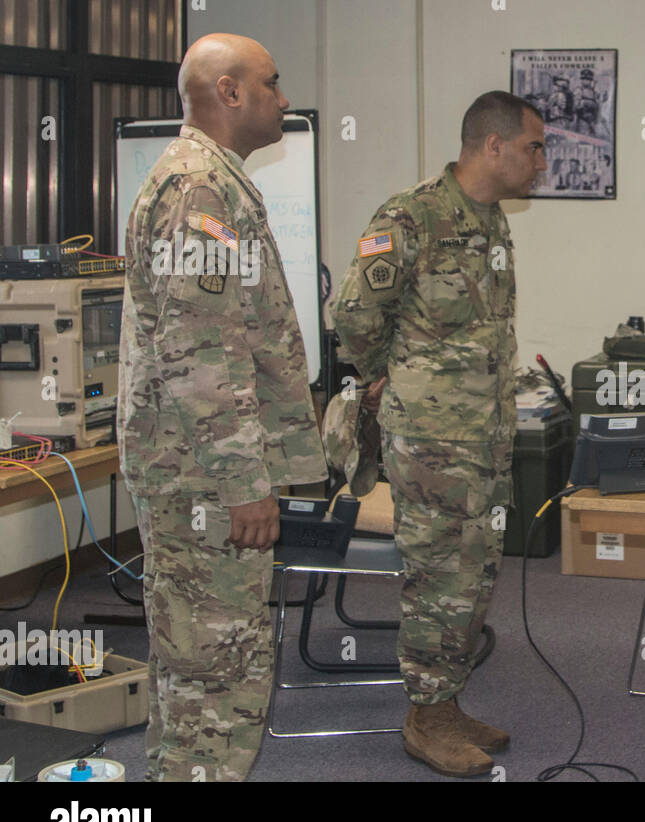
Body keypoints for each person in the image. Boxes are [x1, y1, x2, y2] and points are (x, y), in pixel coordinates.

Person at [118, 33, 327, 781]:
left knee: (198, 662)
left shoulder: (211, 180)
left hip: (196, 465)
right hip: (201, 476)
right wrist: (244, 478)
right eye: (272, 83)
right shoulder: (199, 189)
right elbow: (200, 350)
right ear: (230, 91)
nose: (283, 97)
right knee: (216, 673)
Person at [332, 91, 545, 777]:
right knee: (435, 577)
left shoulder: (492, 224)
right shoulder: (411, 217)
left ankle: (446, 703)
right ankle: (424, 717)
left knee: (473, 572)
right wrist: (380, 374)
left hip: (484, 439)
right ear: (493, 146)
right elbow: (355, 311)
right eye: (533, 148)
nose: (540, 162)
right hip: (429, 443)